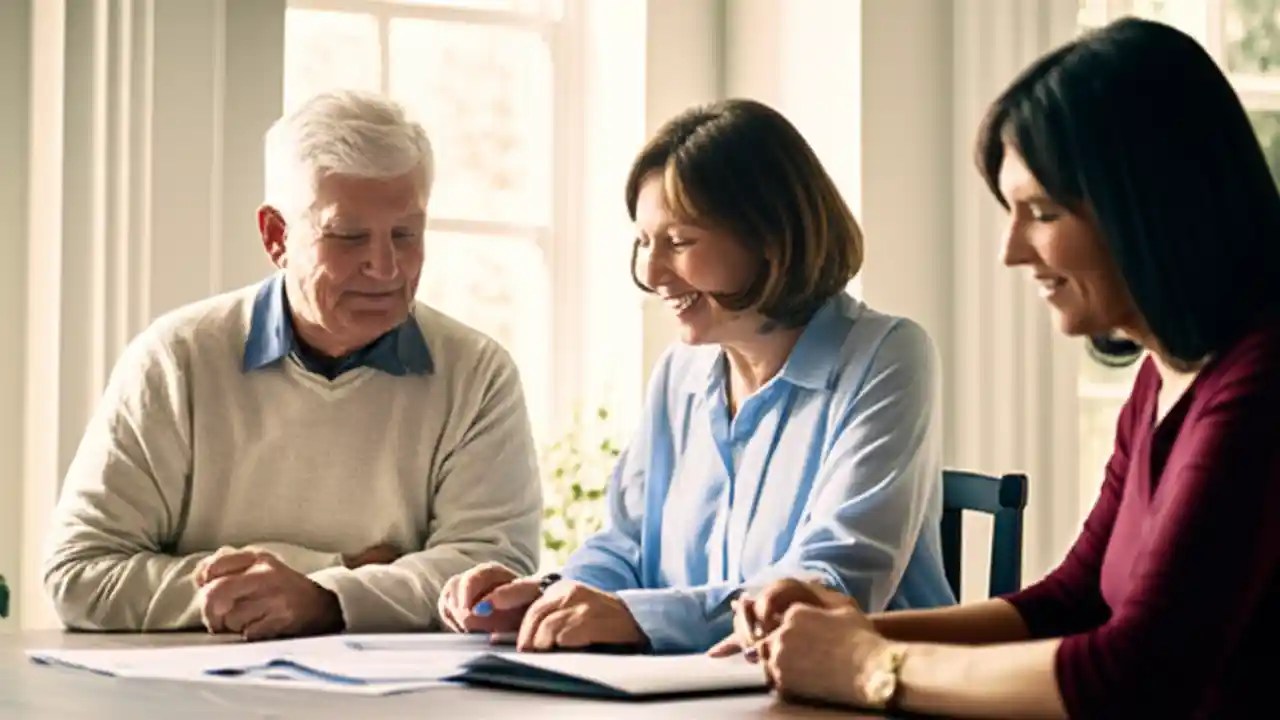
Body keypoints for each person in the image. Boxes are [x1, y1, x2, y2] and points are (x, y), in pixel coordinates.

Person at [719, 18, 1280, 719]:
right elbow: (1072, 601)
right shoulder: (1165, 375)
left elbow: (1134, 674)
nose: (1011, 251)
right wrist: (847, 635)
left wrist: (871, 665)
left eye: (1040, 213)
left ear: (1149, 211)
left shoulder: (1258, 387)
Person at [438, 98, 954, 655]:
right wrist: (546, 596)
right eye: (643, 243)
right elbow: (627, 545)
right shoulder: (681, 372)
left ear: (769, 237)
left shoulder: (889, 355)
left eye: (679, 243)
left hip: (856, 694)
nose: (653, 273)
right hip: (701, 693)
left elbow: (832, 581)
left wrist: (633, 618)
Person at [42, 90, 543, 639]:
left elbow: (492, 572)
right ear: (276, 236)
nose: (385, 266)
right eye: (348, 237)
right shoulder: (175, 360)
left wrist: (324, 599)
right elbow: (80, 574)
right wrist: (337, 571)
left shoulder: (478, 374)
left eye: (406, 234)